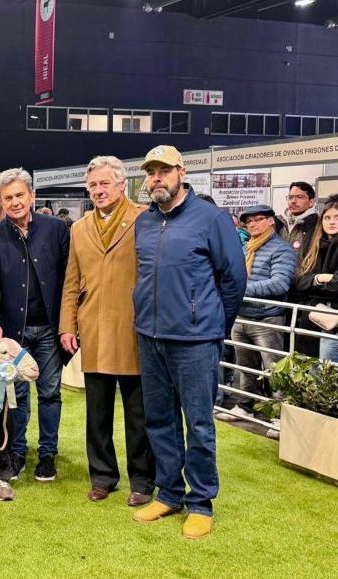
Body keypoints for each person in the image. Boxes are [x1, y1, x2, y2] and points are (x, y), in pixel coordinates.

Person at [131, 145, 246, 539]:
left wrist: (213, 324)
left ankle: (201, 502)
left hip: (196, 340)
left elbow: (233, 280)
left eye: (164, 170)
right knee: (160, 421)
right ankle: (169, 493)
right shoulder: (145, 222)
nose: (156, 178)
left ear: (182, 171)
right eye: (151, 172)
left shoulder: (211, 218)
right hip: (150, 336)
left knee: (198, 424)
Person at [59, 156, 156, 507]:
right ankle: (102, 477)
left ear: (121, 184)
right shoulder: (79, 227)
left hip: (135, 330)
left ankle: (143, 481)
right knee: (96, 413)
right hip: (94, 331)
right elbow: (71, 282)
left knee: (139, 414)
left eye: (104, 184)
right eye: (93, 185)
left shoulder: (145, 218)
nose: (98, 191)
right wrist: (67, 325)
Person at [0, 168, 69, 486]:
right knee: (14, 394)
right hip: (12, 333)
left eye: (20, 195)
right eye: (8, 197)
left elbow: (70, 280)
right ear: (1, 200)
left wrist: (68, 323)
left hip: (49, 329)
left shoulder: (57, 229)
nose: (15, 202)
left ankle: (47, 455)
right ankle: (16, 453)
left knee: (50, 392)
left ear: (31, 196)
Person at [215, 205, 295, 425]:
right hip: (241, 316)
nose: (252, 224)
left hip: (268, 318)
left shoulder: (282, 249)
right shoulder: (245, 247)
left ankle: (282, 417)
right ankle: (245, 406)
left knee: (275, 369)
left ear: (271, 221)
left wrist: (240, 288)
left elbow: (280, 283)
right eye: (248, 221)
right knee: (245, 367)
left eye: (258, 219)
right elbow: (229, 274)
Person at [294, 200, 338, 364]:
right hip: (312, 318)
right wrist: (321, 278)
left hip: (334, 323)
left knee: (329, 375)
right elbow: (299, 282)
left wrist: (313, 282)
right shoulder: (314, 246)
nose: (332, 222)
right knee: (311, 372)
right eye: (327, 218)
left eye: (336, 217)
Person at [275, 181, 318, 252]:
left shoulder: (316, 225)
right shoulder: (280, 223)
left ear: (311, 202)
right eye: (290, 197)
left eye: (299, 197)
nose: (293, 201)